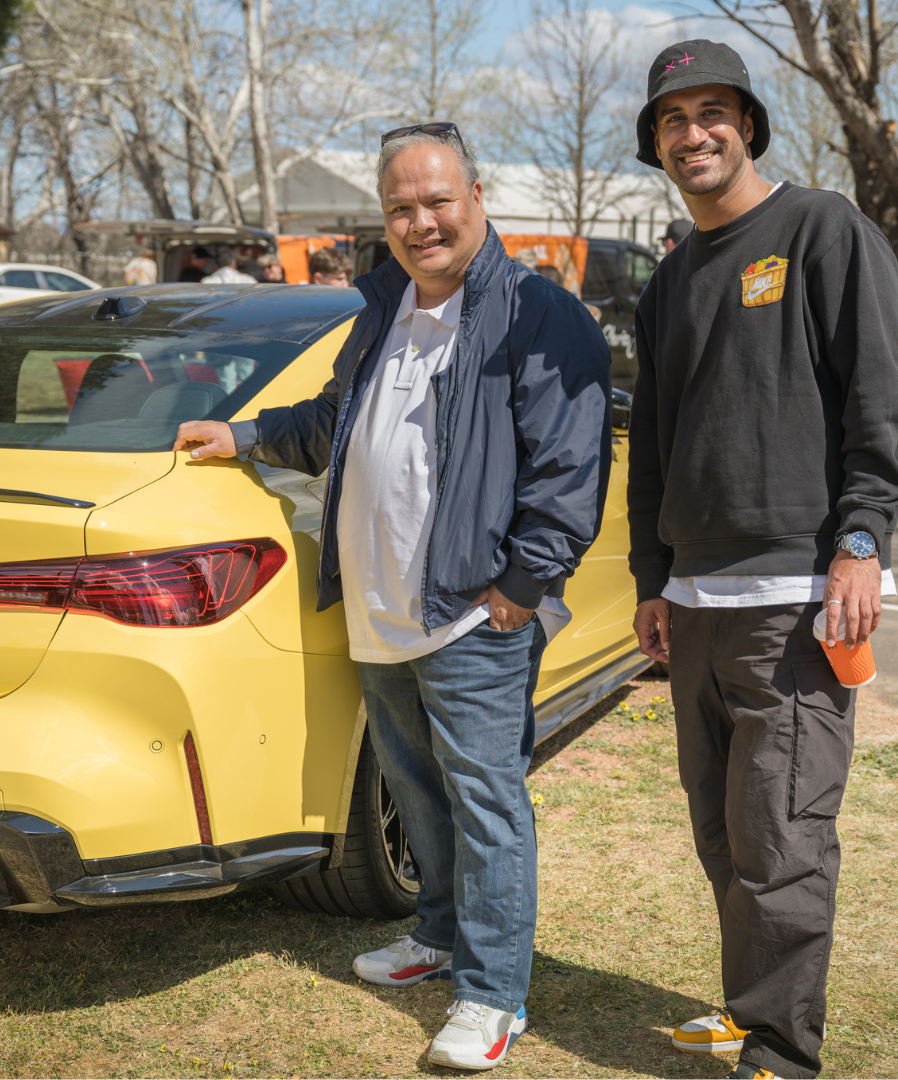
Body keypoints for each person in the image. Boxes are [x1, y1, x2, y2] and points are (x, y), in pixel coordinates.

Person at [172, 124, 611, 1072]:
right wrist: (244, 435)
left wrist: (522, 586)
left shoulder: (538, 314)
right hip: (378, 606)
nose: (421, 223)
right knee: (416, 789)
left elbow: (570, 466)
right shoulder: (383, 308)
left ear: (477, 197)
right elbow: (337, 421)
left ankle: (492, 994)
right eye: (401, 208)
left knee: (486, 804)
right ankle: (440, 935)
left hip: (471, 612)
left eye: (437, 201)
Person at [628, 40, 898, 1080]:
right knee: (724, 833)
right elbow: (654, 446)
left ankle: (781, 1055)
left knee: (782, 837)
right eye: (672, 118)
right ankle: (754, 1009)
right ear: (656, 142)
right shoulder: (669, 279)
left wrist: (861, 541)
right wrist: (651, 581)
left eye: (713, 111)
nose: (693, 132)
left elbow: (879, 398)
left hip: (797, 598)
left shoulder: (822, 229)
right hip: (696, 601)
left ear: (747, 124)